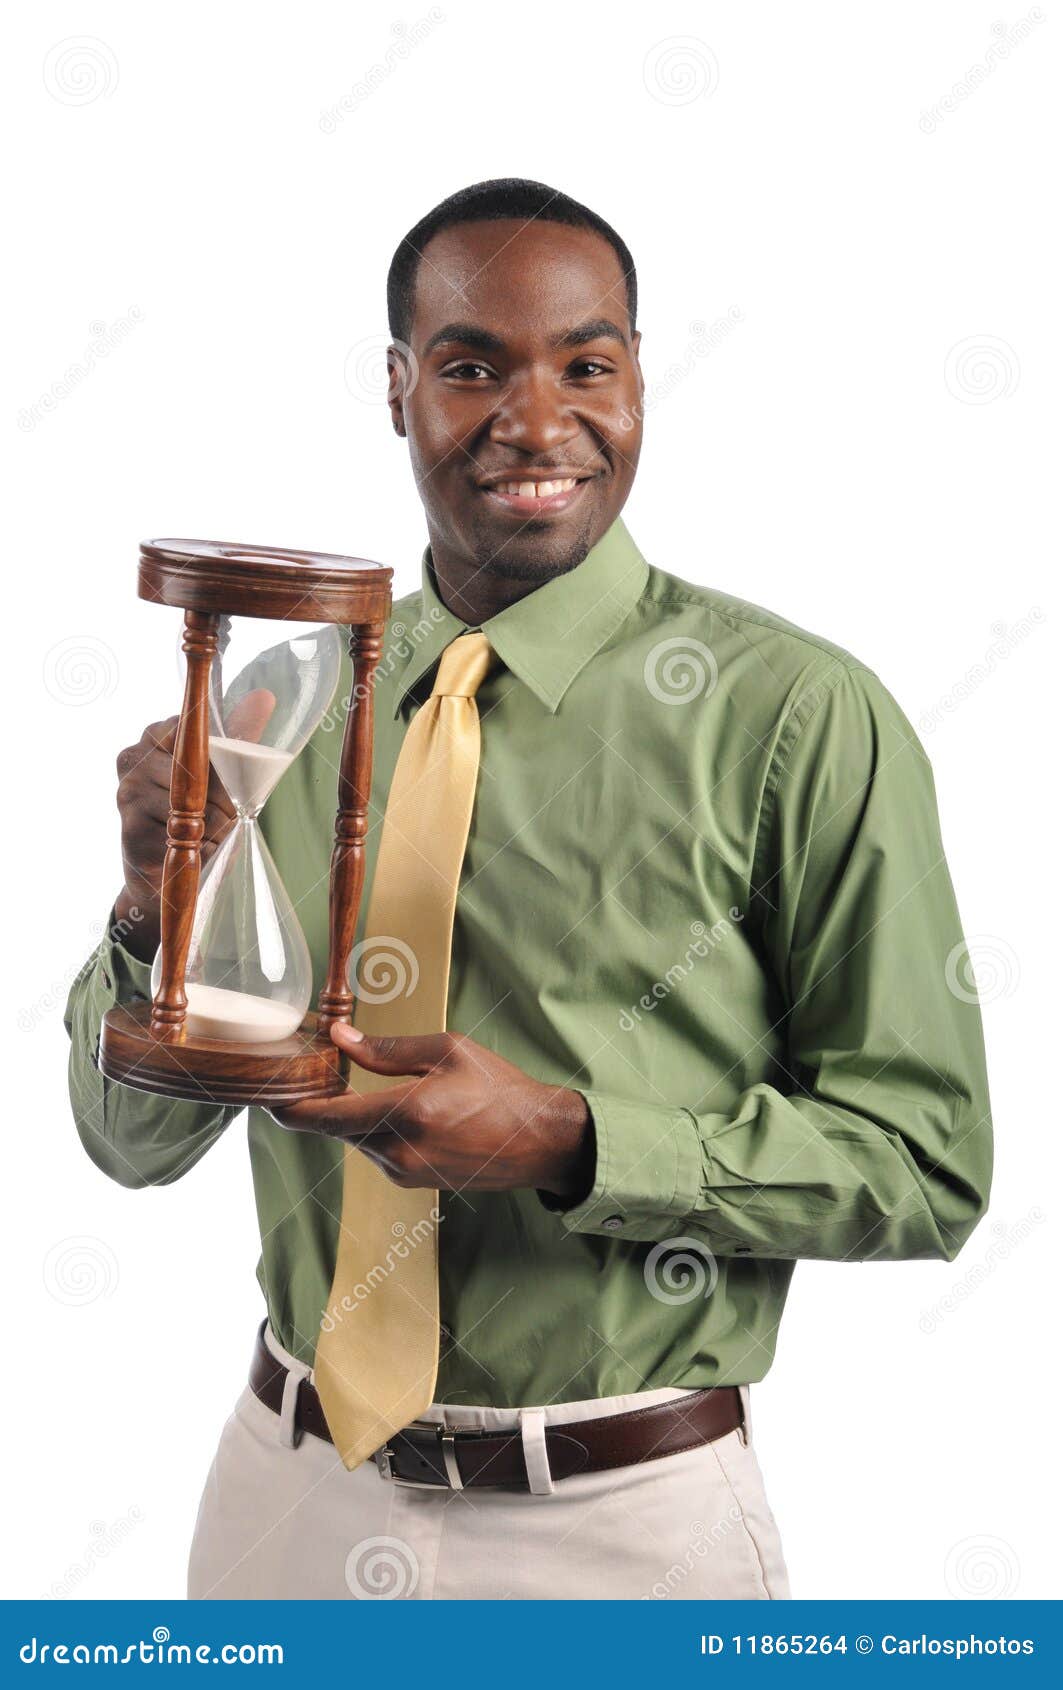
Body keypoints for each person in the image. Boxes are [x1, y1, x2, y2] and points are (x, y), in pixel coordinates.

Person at [65, 178, 993, 1602]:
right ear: (396, 389)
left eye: (588, 364)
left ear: (640, 378)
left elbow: (927, 1167)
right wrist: (150, 910)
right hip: (285, 1491)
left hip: (621, 1529)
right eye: (472, 365)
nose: (537, 420)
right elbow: (131, 1144)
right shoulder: (284, 697)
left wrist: (571, 1139)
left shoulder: (798, 717)